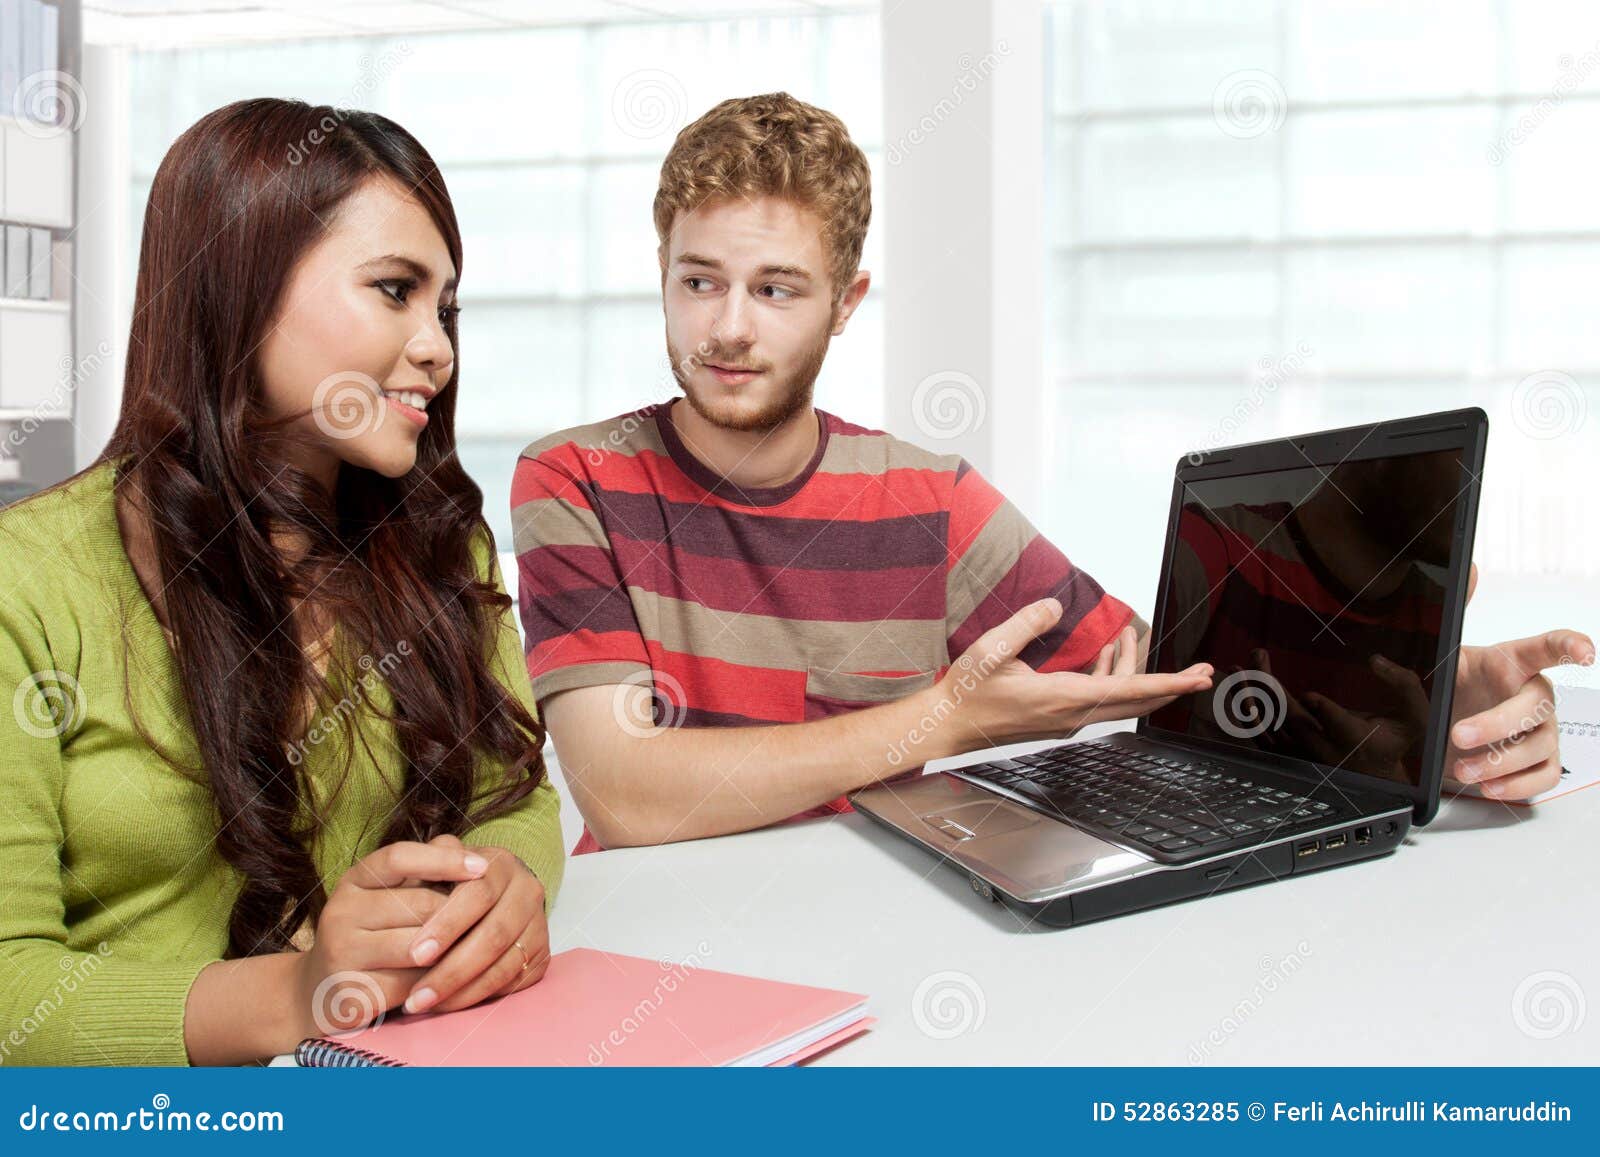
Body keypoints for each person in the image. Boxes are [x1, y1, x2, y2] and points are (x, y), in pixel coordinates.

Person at [512, 93, 1590, 854]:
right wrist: (940, 722)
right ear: (661, 272)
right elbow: (629, 792)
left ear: (846, 302)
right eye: (700, 280)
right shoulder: (576, 479)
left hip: (881, 916)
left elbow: (1168, 676)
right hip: (672, 951)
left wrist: (1423, 708)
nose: (728, 327)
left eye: (778, 289)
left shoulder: (927, 500)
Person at [0, 99, 563, 1066]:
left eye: (447, 307)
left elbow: (518, 798)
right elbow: (12, 990)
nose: (439, 347)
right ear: (239, 288)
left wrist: (507, 880)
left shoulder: (438, 542)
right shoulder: (29, 583)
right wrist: (300, 991)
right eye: (395, 290)